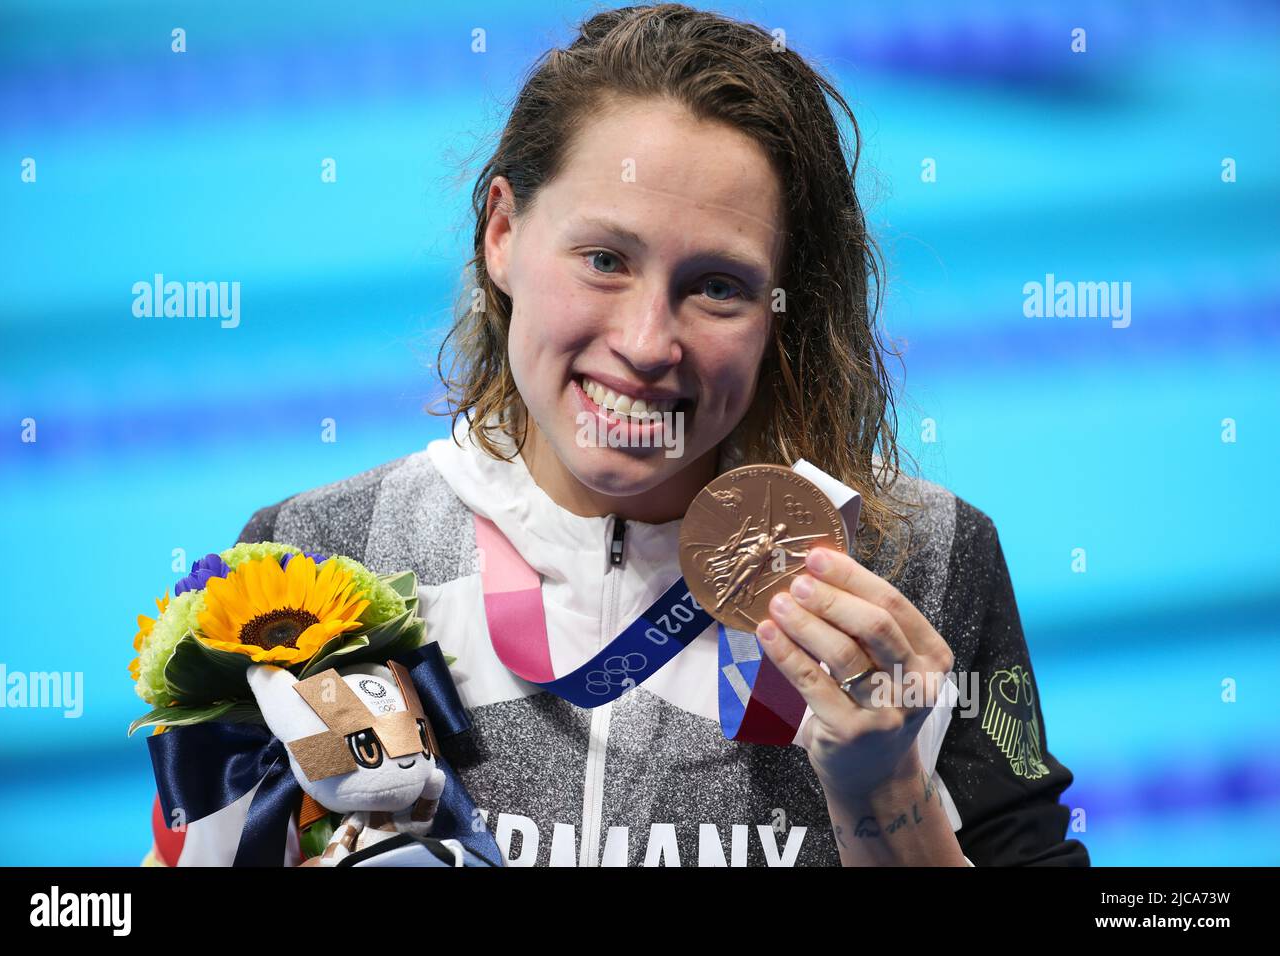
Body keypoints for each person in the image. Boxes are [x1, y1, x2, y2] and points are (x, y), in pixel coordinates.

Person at [146, 3, 1088, 867]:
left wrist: (886, 798)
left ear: (782, 311)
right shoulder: (315, 565)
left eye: (717, 285)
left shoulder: (918, 566)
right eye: (605, 259)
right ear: (503, 232)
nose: (646, 343)